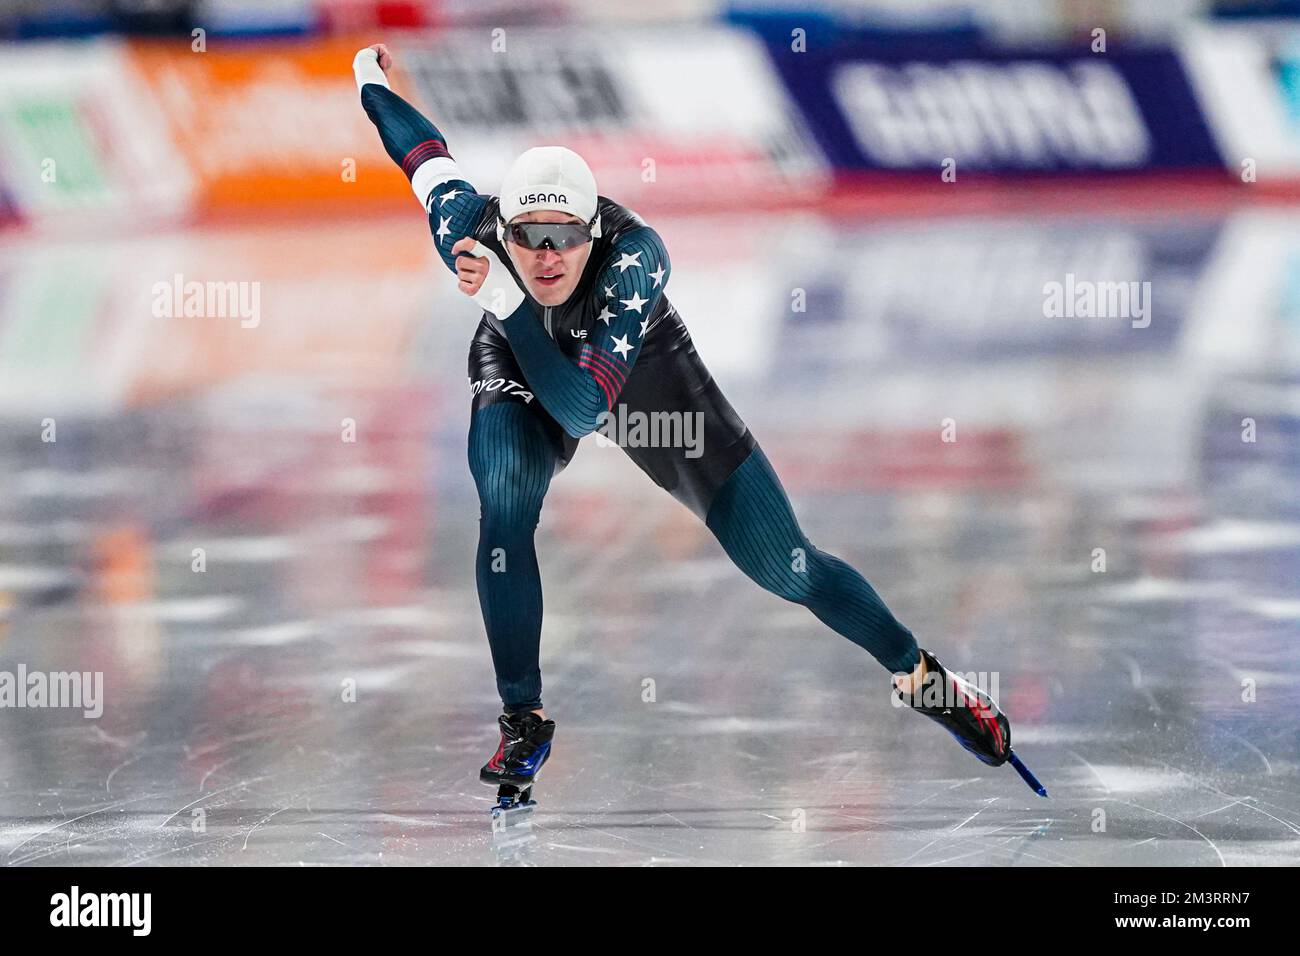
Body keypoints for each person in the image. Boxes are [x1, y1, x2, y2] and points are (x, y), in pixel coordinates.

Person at [352, 43, 1020, 811]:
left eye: (562, 237)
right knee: (502, 498)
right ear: (501, 228)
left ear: (592, 234)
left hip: (641, 386)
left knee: (788, 566)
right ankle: (522, 720)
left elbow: (584, 410)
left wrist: (505, 300)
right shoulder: (466, 227)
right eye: (526, 236)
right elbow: (423, 155)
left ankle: (925, 679)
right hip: (520, 361)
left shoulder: (635, 260)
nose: (542, 256)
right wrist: (371, 81)